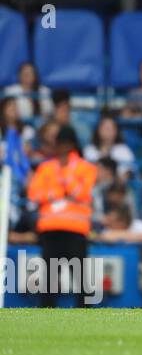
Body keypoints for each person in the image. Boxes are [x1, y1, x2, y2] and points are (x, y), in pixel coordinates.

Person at [26, 125, 96, 307]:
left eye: (65, 144)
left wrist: (66, 175)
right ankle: (46, 315)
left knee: (81, 279)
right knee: (49, 278)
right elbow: (34, 194)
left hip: (76, 229)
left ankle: (87, 317)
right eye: (59, 144)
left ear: (72, 145)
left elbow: (81, 193)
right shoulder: (46, 167)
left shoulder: (85, 168)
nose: (61, 148)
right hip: (50, 229)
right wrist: (57, 193)